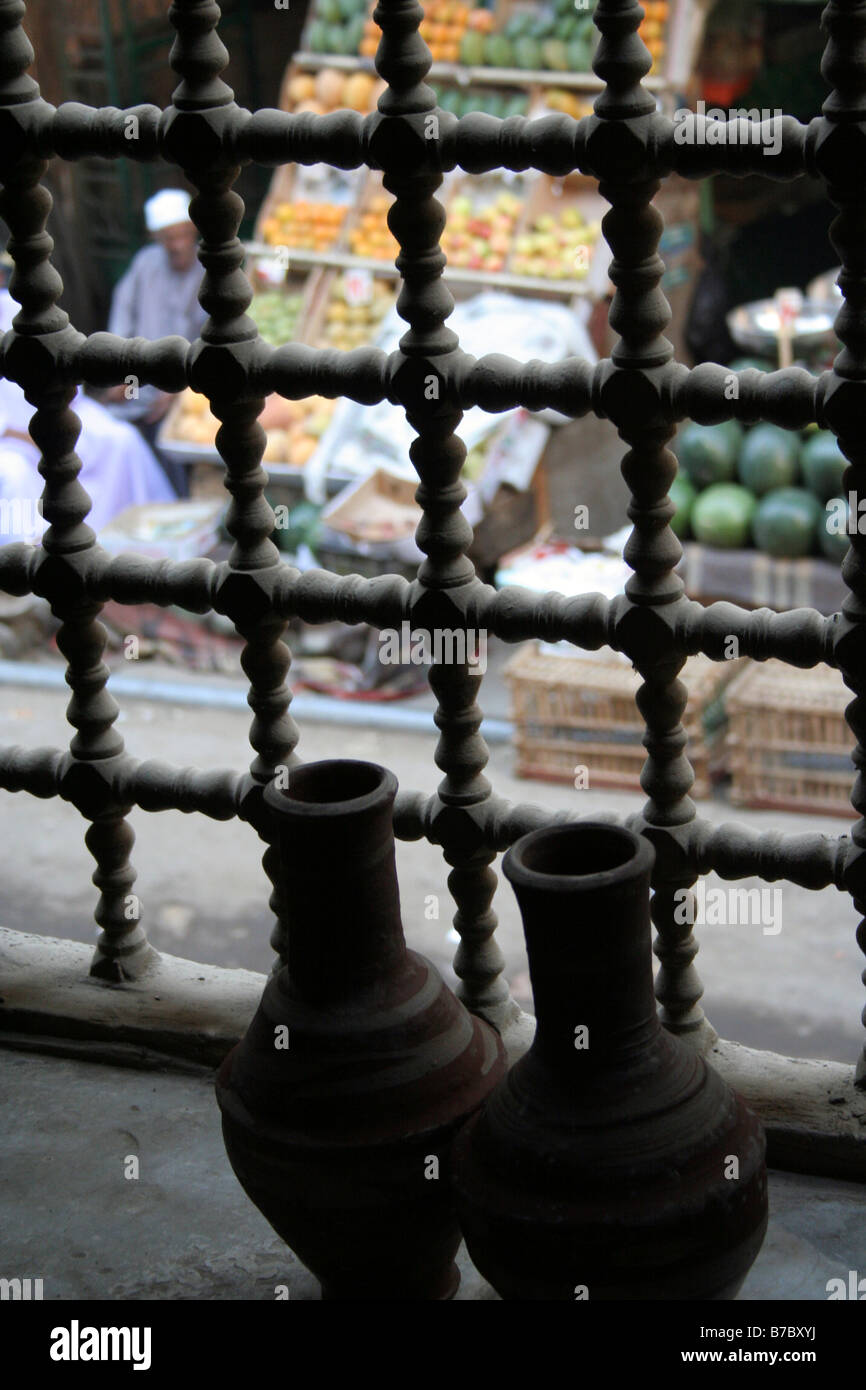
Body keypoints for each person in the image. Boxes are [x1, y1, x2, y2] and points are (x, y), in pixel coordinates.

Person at [0, 288, 176, 546]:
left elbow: (62, 360)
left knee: (119, 439)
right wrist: (33, 437)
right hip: (10, 438)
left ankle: (145, 536)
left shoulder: (17, 307)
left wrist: (59, 414)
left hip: (51, 411)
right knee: (12, 473)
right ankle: (29, 560)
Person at [103, 188, 207, 495]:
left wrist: (181, 387)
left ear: (192, 232)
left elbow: (211, 340)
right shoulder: (145, 265)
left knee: (172, 456)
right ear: (157, 239)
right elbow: (122, 318)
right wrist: (118, 367)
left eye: (181, 237)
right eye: (167, 239)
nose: (176, 246)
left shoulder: (209, 270)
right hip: (136, 383)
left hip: (185, 390)